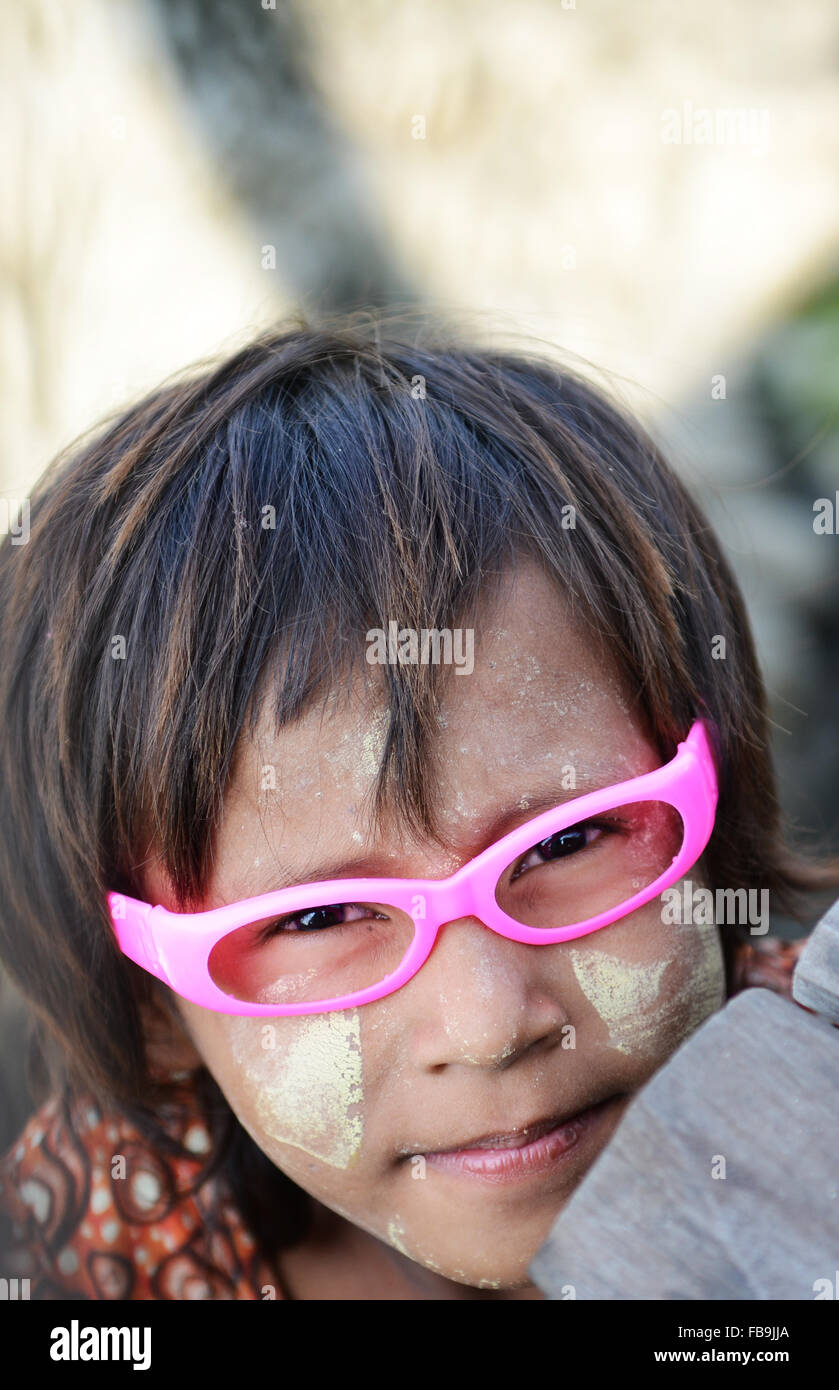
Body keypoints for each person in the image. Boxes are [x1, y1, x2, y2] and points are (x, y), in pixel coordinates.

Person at [0, 308, 836, 1300]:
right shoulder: (105, 1250)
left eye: (566, 840)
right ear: (152, 1006)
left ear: (711, 819)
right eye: (315, 918)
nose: (491, 1022)